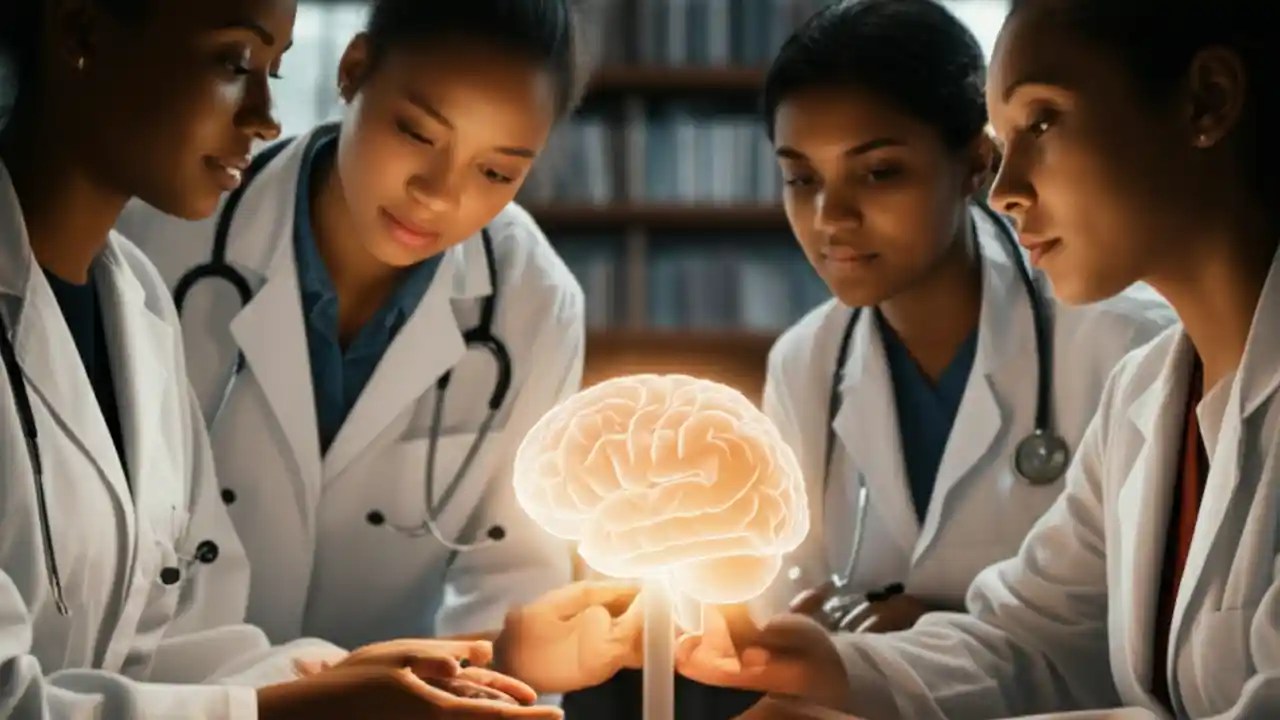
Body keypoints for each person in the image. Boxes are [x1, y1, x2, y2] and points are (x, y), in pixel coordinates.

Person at [0, 0, 632, 717]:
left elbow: (177, 632)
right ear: (353, 71)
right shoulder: (162, 243)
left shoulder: (132, 300)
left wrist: (426, 676)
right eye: (238, 64)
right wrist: (315, 704)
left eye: (496, 171)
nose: (438, 191)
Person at [677, 0, 1280, 717]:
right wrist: (837, 666)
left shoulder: (1116, 348)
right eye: (800, 178)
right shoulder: (1145, 395)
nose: (1006, 190)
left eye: (1044, 122)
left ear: (1205, 100)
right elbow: (1030, 642)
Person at [750, 0, 1172, 635]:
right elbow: (781, 589)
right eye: (800, 178)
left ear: (978, 162)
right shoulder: (805, 363)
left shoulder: (1125, 340)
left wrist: (935, 632)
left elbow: (1150, 639)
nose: (830, 217)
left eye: (879, 172)